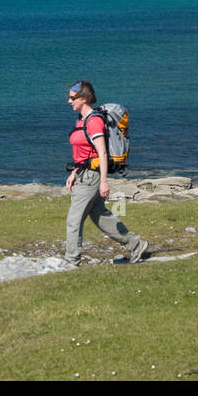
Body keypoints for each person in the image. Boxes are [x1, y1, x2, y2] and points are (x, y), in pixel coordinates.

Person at [63, 79, 150, 266]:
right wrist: (74, 173)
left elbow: (102, 152)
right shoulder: (81, 120)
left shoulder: (94, 122)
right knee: (100, 216)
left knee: (73, 220)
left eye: (72, 98)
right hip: (83, 173)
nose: (69, 101)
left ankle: (71, 261)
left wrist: (104, 182)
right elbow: (86, 153)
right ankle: (136, 244)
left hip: (91, 177)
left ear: (84, 99)